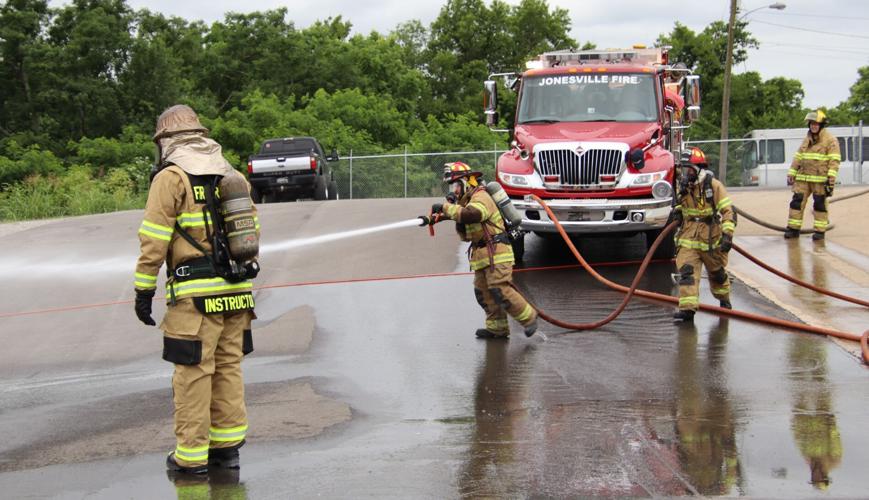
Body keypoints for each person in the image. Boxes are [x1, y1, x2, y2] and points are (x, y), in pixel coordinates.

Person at [134, 104, 259, 474]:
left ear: (167, 141)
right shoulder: (232, 175)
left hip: (196, 300)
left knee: (193, 374)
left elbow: (154, 239)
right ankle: (227, 449)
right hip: (238, 294)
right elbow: (252, 233)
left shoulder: (171, 178)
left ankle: (190, 459)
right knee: (228, 368)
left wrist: (144, 290)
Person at [428, 162, 537, 339]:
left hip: (497, 253)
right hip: (482, 255)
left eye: (456, 185)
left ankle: (529, 318)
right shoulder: (467, 201)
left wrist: (445, 207)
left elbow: (473, 215)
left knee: (499, 289)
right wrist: (432, 218)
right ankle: (497, 328)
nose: (454, 191)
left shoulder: (481, 196)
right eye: (451, 187)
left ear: (466, 182)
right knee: (483, 293)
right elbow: (464, 229)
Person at [669, 148, 736, 322]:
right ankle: (687, 310)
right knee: (687, 273)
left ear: (699, 169)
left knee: (717, 275)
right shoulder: (684, 187)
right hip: (688, 236)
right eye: (684, 169)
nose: (686, 174)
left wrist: (727, 235)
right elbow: (680, 203)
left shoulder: (713, 186)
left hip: (710, 239)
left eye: (689, 169)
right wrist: (678, 212)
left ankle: (724, 300)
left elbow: (728, 211)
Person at [785, 109, 840, 240]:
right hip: (803, 178)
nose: (813, 126)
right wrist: (792, 172)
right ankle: (793, 229)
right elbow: (798, 157)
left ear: (821, 125)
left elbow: (834, 160)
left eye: (816, 124)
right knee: (796, 203)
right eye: (811, 124)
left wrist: (831, 178)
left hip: (820, 180)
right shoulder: (807, 139)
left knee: (819, 205)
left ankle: (819, 232)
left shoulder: (830, 140)